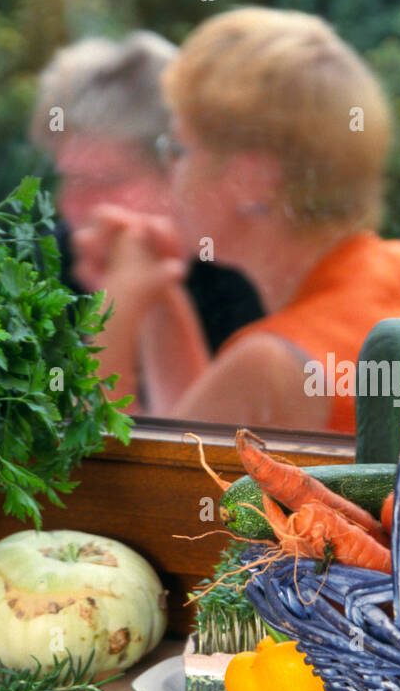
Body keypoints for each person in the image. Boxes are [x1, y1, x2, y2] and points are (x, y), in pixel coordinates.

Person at [84, 8, 400, 435]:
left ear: (250, 179)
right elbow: (195, 432)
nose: (169, 173)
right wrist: (160, 300)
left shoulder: (273, 364)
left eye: (178, 149)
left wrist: (112, 313)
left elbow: (116, 490)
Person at [28, 32, 263, 414]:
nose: (71, 206)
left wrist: (122, 307)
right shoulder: (48, 265)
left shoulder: (243, 281)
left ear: (178, 172)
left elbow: (203, 458)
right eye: (69, 179)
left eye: (103, 183)